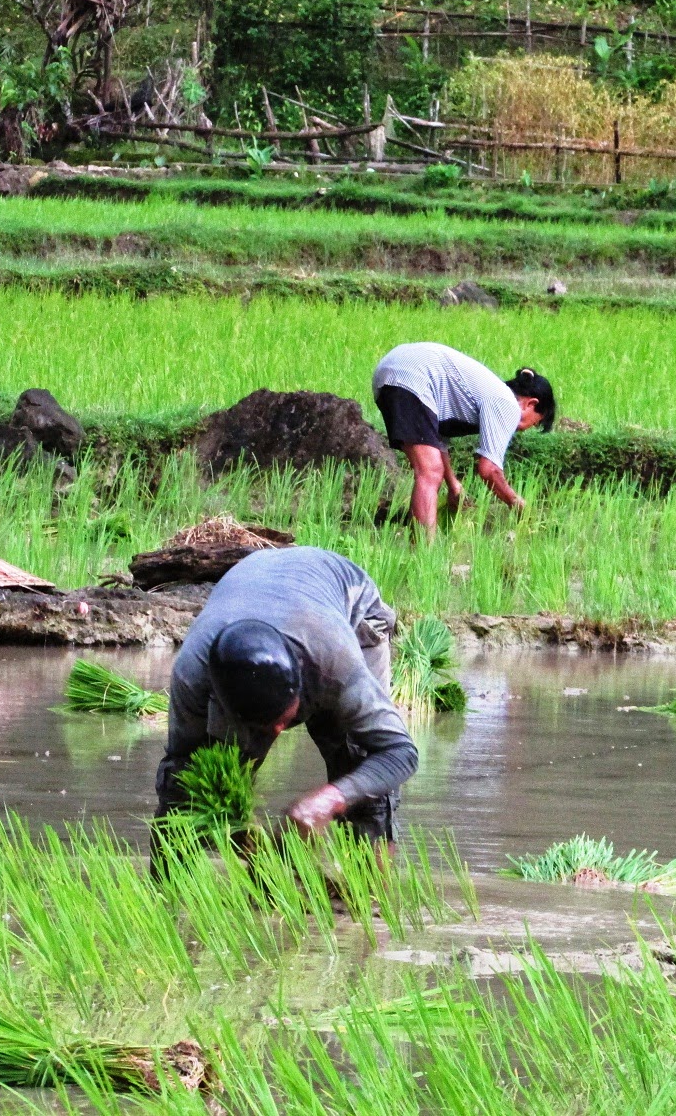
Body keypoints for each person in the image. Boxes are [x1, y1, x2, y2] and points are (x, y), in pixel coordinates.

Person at [154, 546, 417, 843]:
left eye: (281, 718)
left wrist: (330, 799)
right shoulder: (193, 673)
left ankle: (369, 884)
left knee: (356, 758)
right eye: (263, 726)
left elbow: (400, 753)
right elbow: (181, 766)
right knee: (210, 773)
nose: (278, 733)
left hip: (348, 606)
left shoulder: (335, 661)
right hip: (254, 585)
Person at [372, 342, 556, 534]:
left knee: (430, 468)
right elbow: (489, 469)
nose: (527, 429)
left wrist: (453, 486)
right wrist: (516, 502)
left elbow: (436, 441)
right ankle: (425, 553)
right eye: (535, 422)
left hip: (388, 373)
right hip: (412, 376)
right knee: (429, 471)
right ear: (531, 404)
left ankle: (421, 545)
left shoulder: (487, 393)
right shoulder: (507, 403)